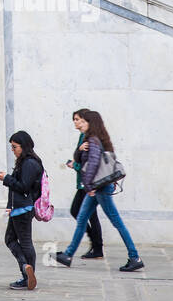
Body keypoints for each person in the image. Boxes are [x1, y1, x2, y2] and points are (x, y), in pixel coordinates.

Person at [56, 110, 143, 273]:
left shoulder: (93, 141)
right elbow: (81, 160)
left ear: (90, 122)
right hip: (97, 187)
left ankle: (135, 257)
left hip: (99, 188)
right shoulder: (90, 140)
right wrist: (80, 150)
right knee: (82, 218)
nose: (77, 123)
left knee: (116, 221)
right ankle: (68, 255)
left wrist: (89, 186)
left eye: (81, 120)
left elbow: (93, 164)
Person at [0, 130, 43, 290]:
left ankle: (27, 274)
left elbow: (23, 187)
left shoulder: (30, 163)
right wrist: (10, 206)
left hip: (24, 209)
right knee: (10, 239)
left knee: (24, 242)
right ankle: (27, 270)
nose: (13, 150)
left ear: (24, 146)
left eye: (15, 147)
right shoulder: (25, 162)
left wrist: (6, 178)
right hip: (18, 208)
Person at [66, 109, 104, 259]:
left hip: (86, 183)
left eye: (78, 119)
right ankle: (96, 247)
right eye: (74, 119)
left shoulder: (88, 138)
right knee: (87, 215)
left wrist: (73, 165)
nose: (76, 122)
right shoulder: (83, 136)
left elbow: (86, 163)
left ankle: (96, 246)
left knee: (79, 212)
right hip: (84, 183)